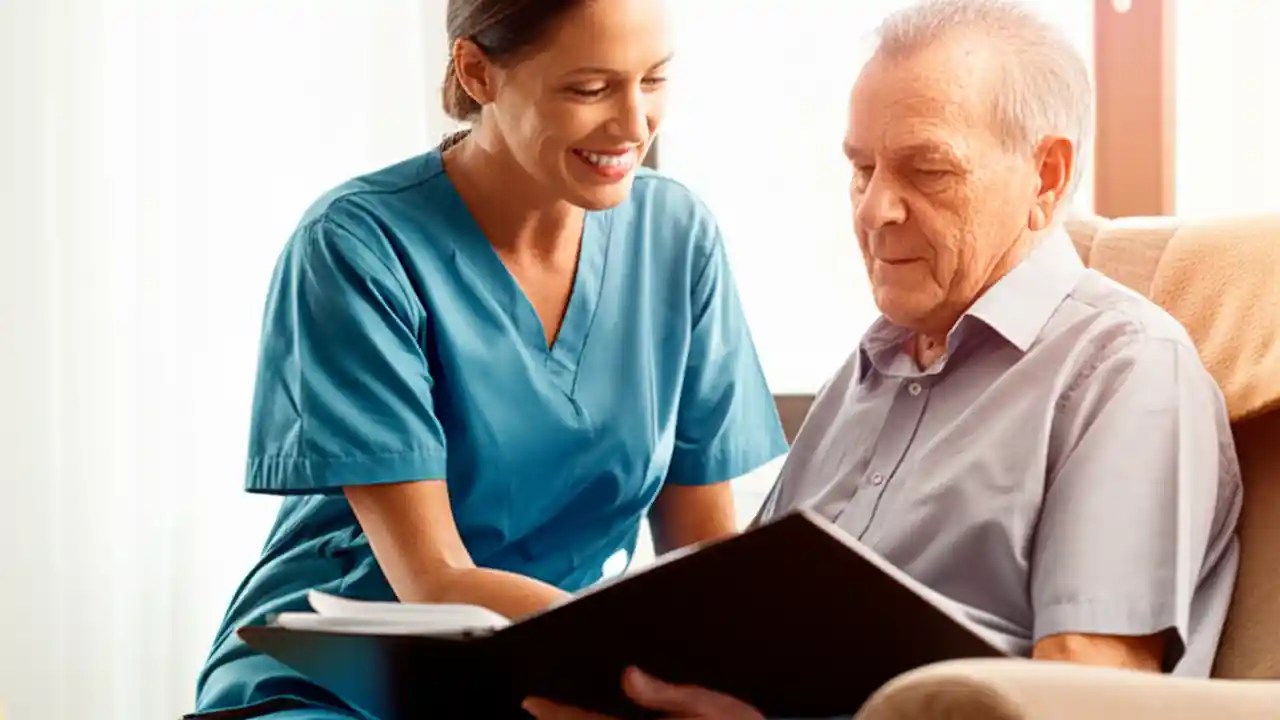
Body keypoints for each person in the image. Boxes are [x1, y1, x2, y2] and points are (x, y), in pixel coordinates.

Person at [523, 0, 1243, 718]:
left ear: (1046, 176)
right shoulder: (872, 366)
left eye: (926, 171)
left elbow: (1087, 695)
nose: (874, 211)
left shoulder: (1126, 371)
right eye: (862, 169)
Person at [190, 0, 787, 717]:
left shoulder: (677, 238)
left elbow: (704, 554)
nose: (634, 124)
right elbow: (435, 579)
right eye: (589, 88)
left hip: (563, 674)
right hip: (346, 684)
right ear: (477, 71)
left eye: (653, 80)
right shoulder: (357, 247)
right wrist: (622, 661)